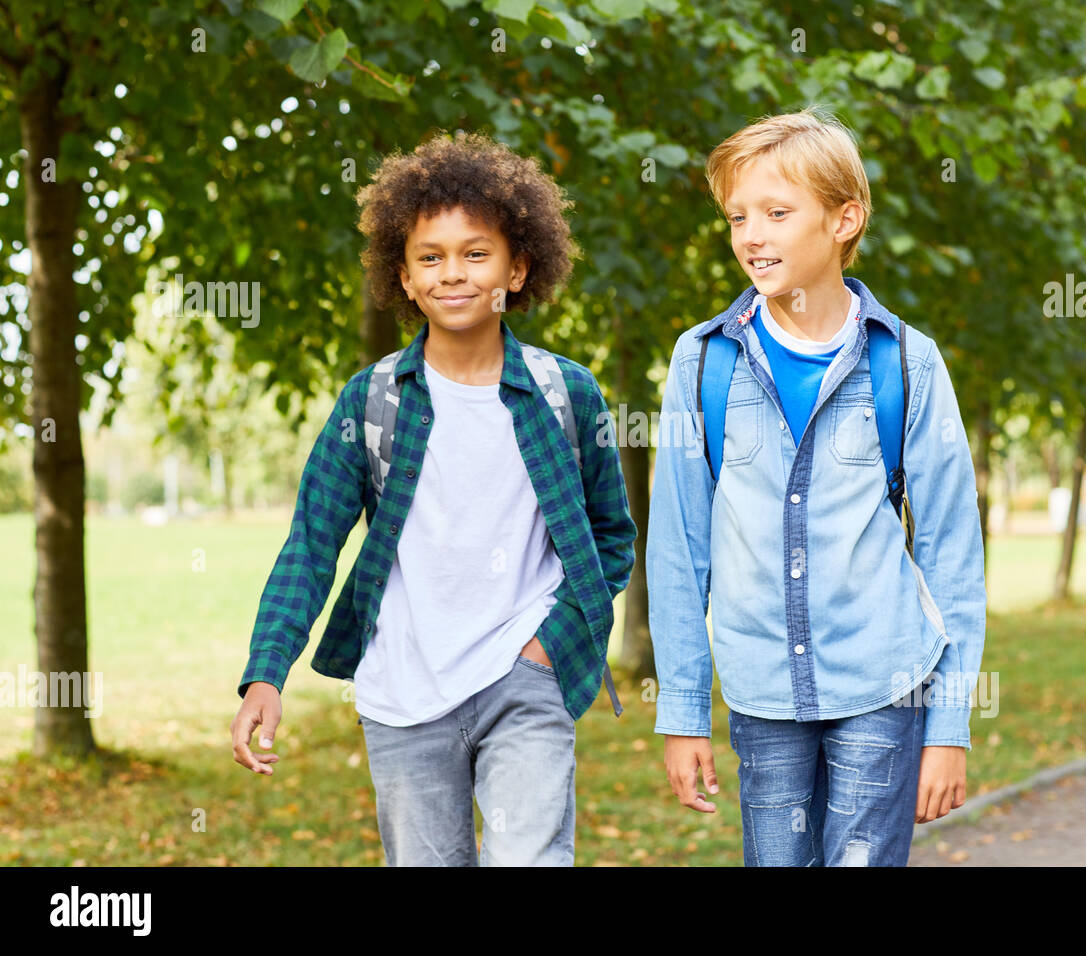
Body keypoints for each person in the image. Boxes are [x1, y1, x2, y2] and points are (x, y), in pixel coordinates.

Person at [230, 132, 637, 866]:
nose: (454, 273)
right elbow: (312, 543)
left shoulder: (565, 393)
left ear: (517, 268)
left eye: (476, 254)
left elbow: (611, 538)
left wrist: (548, 647)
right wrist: (267, 669)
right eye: (432, 257)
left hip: (525, 675)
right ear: (405, 277)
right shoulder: (374, 399)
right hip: (403, 692)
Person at [646, 106, 986, 866]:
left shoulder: (907, 362)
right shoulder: (702, 363)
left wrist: (949, 727)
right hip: (763, 693)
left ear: (844, 219)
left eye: (775, 212)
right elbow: (678, 548)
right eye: (738, 216)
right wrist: (683, 712)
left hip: (884, 682)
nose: (750, 236)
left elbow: (951, 554)